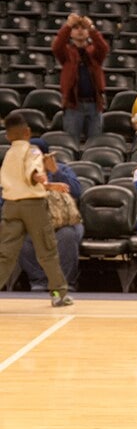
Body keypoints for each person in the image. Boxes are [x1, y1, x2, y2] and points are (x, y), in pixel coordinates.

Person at [0, 111, 72, 306]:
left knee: (5, 254)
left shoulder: (8, 154)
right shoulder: (32, 151)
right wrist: (46, 183)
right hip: (33, 206)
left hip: (10, 205)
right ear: (28, 132)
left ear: (8, 136)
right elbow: (32, 172)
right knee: (47, 251)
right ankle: (58, 293)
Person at [18, 139, 83, 292]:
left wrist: (55, 172)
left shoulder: (62, 169)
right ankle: (39, 281)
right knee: (22, 237)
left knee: (67, 236)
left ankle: (64, 283)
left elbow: (77, 191)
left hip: (65, 222)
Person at [52, 12, 109, 144]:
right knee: (71, 143)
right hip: (73, 105)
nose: (80, 31)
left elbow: (103, 47)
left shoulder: (94, 53)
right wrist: (68, 25)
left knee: (94, 144)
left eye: (83, 28)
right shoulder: (67, 53)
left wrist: (92, 28)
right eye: (76, 28)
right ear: (71, 33)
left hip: (94, 104)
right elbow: (57, 46)